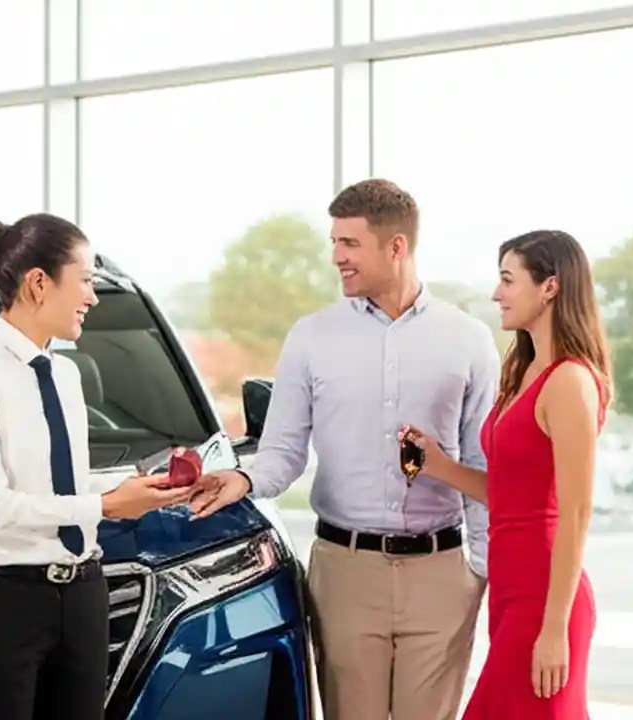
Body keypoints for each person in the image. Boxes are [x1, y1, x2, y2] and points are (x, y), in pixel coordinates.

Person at [189, 179, 498, 720]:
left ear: (396, 246)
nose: (337, 258)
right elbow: (283, 452)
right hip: (346, 573)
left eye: (350, 244)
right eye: (334, 243)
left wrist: (482, 573)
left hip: (442, 576)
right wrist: (241, 479)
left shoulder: (468, 339)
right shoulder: (311, 338)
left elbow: (479, 465)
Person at [0, 213, 194, 720]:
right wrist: (107, 505)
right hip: (7, 602)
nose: (92, 297)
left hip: (83, 595)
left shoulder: (67, 374)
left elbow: (57, 483)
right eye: (85, 281)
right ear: (38, 283)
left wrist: (126, 489)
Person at [400, 229, 612, 719]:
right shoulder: (526, 373)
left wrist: (555, 627)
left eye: (508, 280)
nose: (497, 293)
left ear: (550, 287)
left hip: (544, 600)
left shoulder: (570, 381)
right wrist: (437, 464)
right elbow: (512, 495)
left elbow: (575, 512)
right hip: (511, 593)